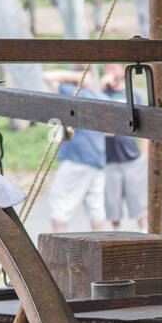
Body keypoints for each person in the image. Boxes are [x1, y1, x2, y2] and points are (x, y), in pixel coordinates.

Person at [44, 67, 108, 232]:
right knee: (96, 206)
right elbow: (110, 132)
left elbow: (48, 76)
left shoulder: (71, 92)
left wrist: (75, 76)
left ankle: (60, 251)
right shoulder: (100, 96)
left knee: (59, 203)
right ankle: (100, 249)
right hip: (97, 158)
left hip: (77, 157)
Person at [99, 64, 148, 230]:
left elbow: (144, 127)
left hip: (132, 158)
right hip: (109, 159)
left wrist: (144, 156)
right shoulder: (101, 94)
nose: (109, 73)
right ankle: (116, 233)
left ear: (122, 71)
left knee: (138, 201)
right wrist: (100, 86)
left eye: (113, 69)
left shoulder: (132, 95)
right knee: (112, 203)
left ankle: (143, 232)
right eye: (106, 69)